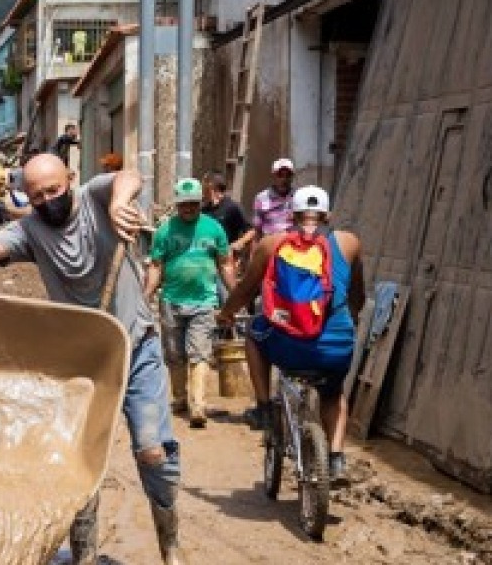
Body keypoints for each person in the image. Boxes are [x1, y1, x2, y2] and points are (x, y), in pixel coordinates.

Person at [0, 154, 185, 564]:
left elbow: (129, 176)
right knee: (81, 465)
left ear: (70, 180)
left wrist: (119, 204)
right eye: (37, 196)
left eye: (54, 190)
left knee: (153, 452)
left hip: (134, 349)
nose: (47, 201)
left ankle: (170, 544)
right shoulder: (30, 231)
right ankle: (85, 556)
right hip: (81, 364)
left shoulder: (95, 198)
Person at [217, 186, 366, 483]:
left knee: (254, 332)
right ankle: (336, 458)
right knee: (333, 394)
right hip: (335, 346)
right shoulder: (349, 243)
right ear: (327, 216)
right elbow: (357, 296)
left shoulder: (272, 244)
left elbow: (245, 290)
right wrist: (349, 318)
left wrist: (226, 313)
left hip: (289, 344)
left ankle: (262, 408)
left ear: (292, 215)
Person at [144, 178, 237, 429]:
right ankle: (180, 398)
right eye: (183, 205)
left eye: (193, 204)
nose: (188, 209)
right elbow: (156, 266)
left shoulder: (214, 228)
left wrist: (236, 293)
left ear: (200, 202)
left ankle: (198, 405)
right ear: (177, 205)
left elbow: (225, 263)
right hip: (171, 301)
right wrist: (147, 294)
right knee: (174, 354)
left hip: (204, 301)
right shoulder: (165, 231)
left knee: (199, 352)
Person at [202, 170, 254, 260]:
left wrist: (239, 243)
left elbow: (251, 231)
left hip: (226, 258)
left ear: (211, 185)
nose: (201, 187)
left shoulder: (232, 208)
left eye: (203, 183)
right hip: (207, 259)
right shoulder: (203, 209)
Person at [252, 158, 296, 238]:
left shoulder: (298, 197)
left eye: (288, 175)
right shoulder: (262, 198)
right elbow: (257, 228)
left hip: (292, 242)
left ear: (292, 177)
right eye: (280, 175)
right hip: (269, 241)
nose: (284, 179)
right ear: (274, 176)